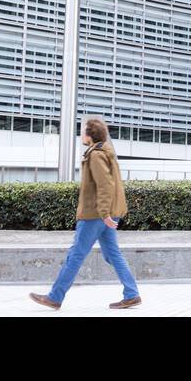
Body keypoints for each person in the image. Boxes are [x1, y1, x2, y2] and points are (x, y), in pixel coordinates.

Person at [30, 117, 141, 310]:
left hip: (95, 214)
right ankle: (132, 294)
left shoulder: (96, 155)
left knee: (76, 254)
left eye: (83, 131)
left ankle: (54, 297)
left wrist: (105, 214)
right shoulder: (104, 152)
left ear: (90, 136)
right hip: (104, 213)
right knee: (112, 254)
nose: (81, 134)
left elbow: (105, 186)